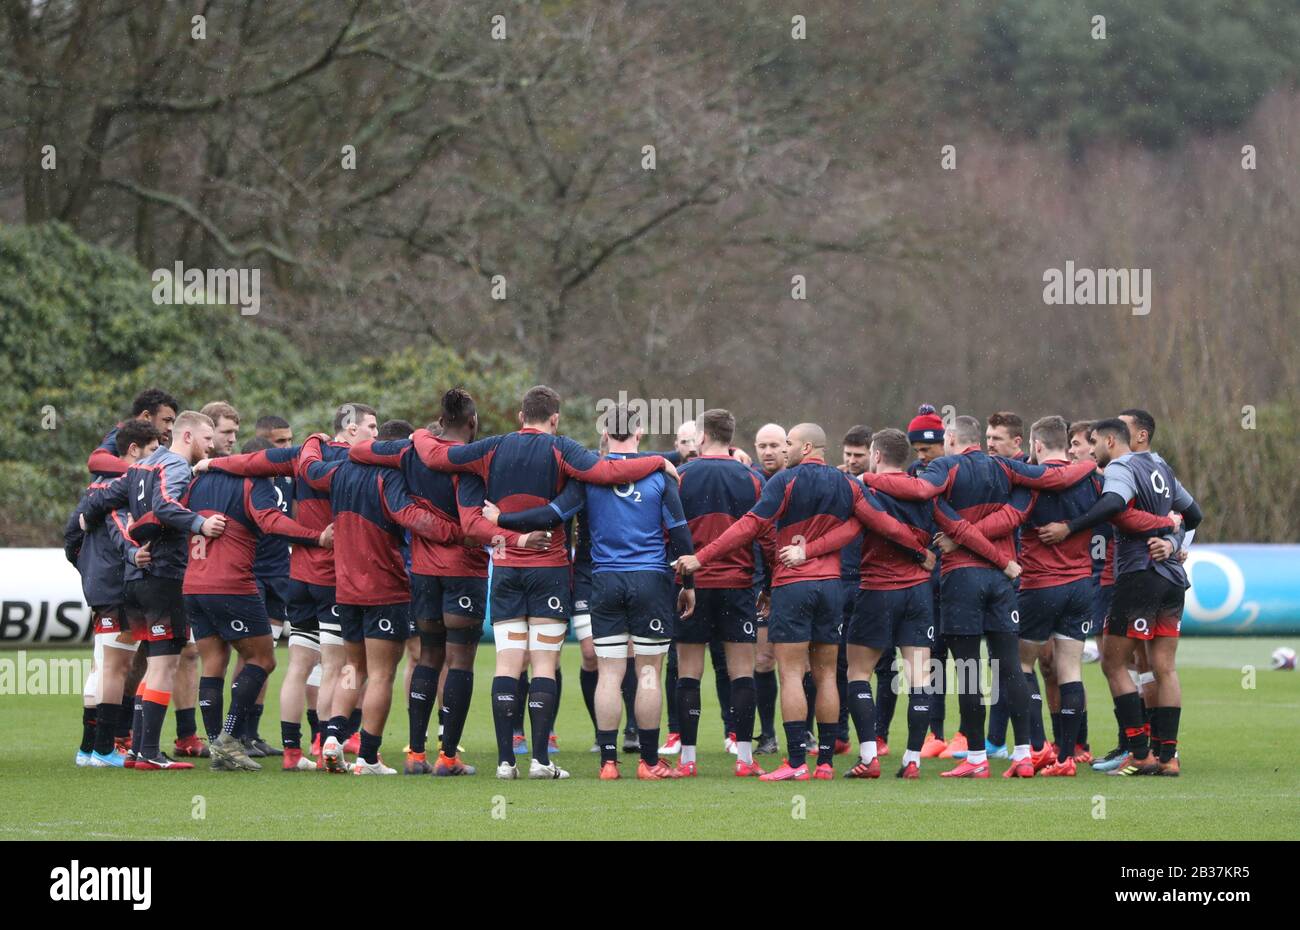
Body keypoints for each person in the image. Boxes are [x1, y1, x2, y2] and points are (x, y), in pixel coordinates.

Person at [406, 385, 677, 780]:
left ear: (520, 416)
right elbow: (606, 470)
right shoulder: (564, 449)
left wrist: (417, 435)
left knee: (508, 662)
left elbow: (438, 456)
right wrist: (658, 460)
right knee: (545, 664)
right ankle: (541, 762)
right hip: (549, 570)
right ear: (555, 419)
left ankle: (504, 763)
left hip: (505, 568)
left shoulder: (492, 447)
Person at [676, 423, 933, 781]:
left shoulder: (784, 481)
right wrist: (920, 551)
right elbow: (880, 524)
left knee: (792, 674)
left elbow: (750, 525)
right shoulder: (849, 484)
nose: (782, 450)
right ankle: (825, 762)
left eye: (788, 444)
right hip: (831, 588)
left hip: (793, 587)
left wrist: (702, 557)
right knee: (828, 674)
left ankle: (796, 762)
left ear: (806, 447)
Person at [861, 415, 1096, 778]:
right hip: (1002, 580)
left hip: (962, 577)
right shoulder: (1007, 468)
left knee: (968, 671)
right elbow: (1040, 492)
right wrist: (1089, 464)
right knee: (1010, 668)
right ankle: (1023, 755)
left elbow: (926, 498)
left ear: (951, 438)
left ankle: (976, 759)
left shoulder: (943, 467)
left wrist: (868, 479)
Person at [490, 404, 698, 779]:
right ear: (639, 434)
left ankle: (607, 762)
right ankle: (649, 763)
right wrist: (688, 584)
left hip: (603, 582)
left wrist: (502, 519)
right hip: (650, 580)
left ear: (604, 436)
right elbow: (681, 535)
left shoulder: (587, 480)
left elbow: (550, 514)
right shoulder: (659, 476)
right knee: (648, 671)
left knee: (609, 673)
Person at [1038, 417, 1200, 777]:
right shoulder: (1160, 464)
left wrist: (1070, 526)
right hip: (1172, 578)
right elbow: (1194, 514)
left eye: (1092, 441)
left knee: (1114, 663)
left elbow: (1113, 505)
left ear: (1110, 441)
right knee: (1163, 667)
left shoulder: (1121, 467)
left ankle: (1139, 754)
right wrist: (1173, 540)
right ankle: (1167, 757)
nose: (1089, 448)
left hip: (1139, 576)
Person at [80, 411, 227, 770]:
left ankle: (137, 749)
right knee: (165, 662)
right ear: (188, 436)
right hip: (165, 576)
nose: (213, 445)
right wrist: (200, 523)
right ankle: (147, 752)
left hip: (135, 579)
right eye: (208, 438)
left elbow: (106, 495)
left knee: (152, 664)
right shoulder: (174, 466)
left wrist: (87, 514)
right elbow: (163, 506)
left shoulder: (141, 467)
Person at [184, 448, 330, 772]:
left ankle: (216, 744)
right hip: (231, 584)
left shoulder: (196, 482)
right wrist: (315, 537)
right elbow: (271, 521)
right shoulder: (252, 481)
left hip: (193, 584)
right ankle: (229, 739)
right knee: (263, 658)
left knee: (214, 661)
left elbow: (163, 514)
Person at [65, 419, 160, 767]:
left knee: (105, 665)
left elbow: (70, 537)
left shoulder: (95, 487)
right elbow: (122, 529)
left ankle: (89, 748)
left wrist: (90, 569)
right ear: (133, 450)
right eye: (152, 451)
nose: (156, 458)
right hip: (118, 586)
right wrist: (132, 556)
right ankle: (104, 749)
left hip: (101, 586)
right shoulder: (121, 487)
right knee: (116, 667)